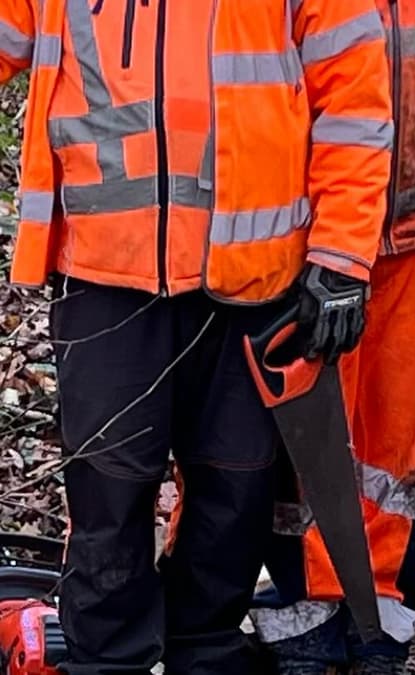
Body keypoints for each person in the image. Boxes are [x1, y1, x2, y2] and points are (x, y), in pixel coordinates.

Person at [0, 1, 392, 672]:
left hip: (254, 277)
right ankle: (106, 662)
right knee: (108, 502)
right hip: (104, 273)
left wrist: (342, 254)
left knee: (233, 498)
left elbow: (354, 92)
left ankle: (203, 652)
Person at [248, 0, 415, 673]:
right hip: (301, 223)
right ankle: (306, 604)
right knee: (298, 430)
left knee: (404, 436)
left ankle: (377, 604)